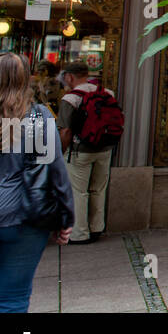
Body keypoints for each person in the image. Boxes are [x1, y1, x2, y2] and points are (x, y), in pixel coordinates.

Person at [0, 53, 74, 312]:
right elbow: (56, 170)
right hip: (25, 218)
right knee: (12, 301)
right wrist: (66, 217)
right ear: (25, 81)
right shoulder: (38, 117)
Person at [57, 63, 121, 244]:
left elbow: (66, 131)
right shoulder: (107, 93)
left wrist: (62, 151)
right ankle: (96, 228)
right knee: (98, 189)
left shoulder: (70, 98)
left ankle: (79, 233)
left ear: (70, 77)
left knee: (78, 192)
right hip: (105, 149)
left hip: (80, 150)